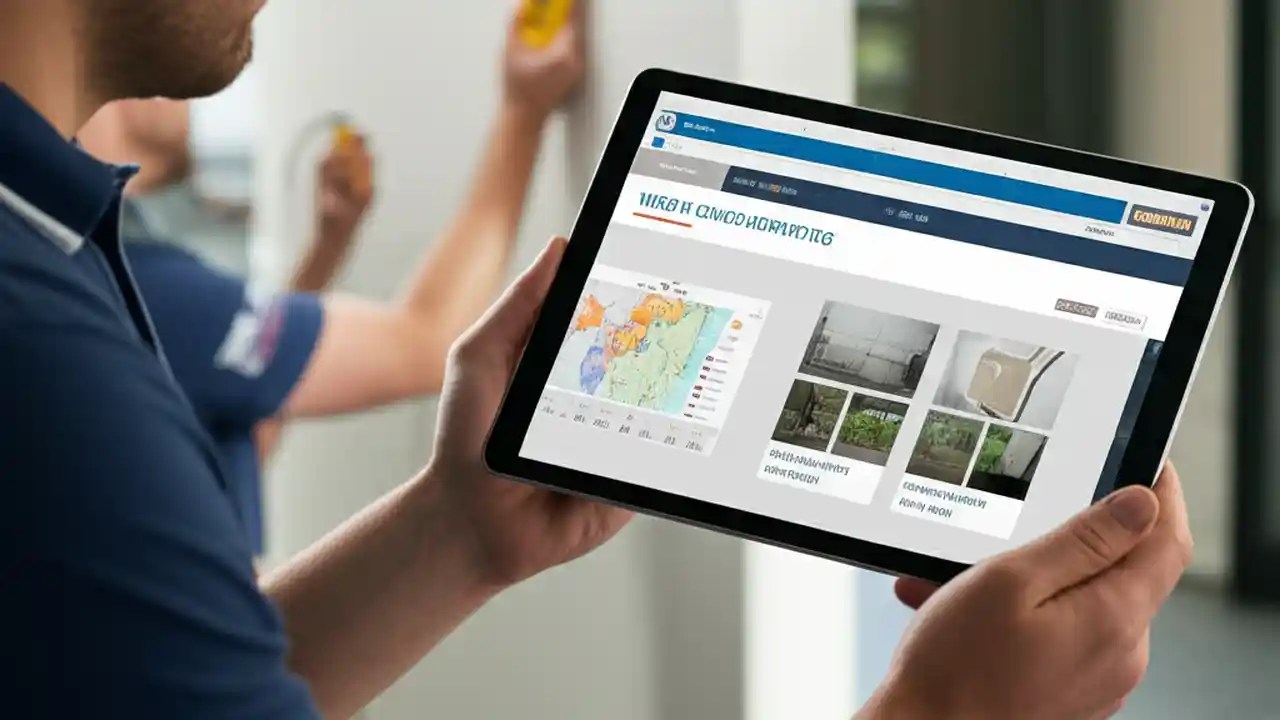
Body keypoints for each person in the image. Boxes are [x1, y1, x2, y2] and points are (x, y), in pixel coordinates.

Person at [0, 2, 1191, 718]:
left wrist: (456, 531)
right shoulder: (38, 351)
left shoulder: (49, 249)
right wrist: (941, 712)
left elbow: (137, 688)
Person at [73, 14, 584, 554]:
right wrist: (523, 111)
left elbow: (237, 428)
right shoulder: (144, 286)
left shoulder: (88, 267)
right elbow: (434, 341)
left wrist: (328, 246)